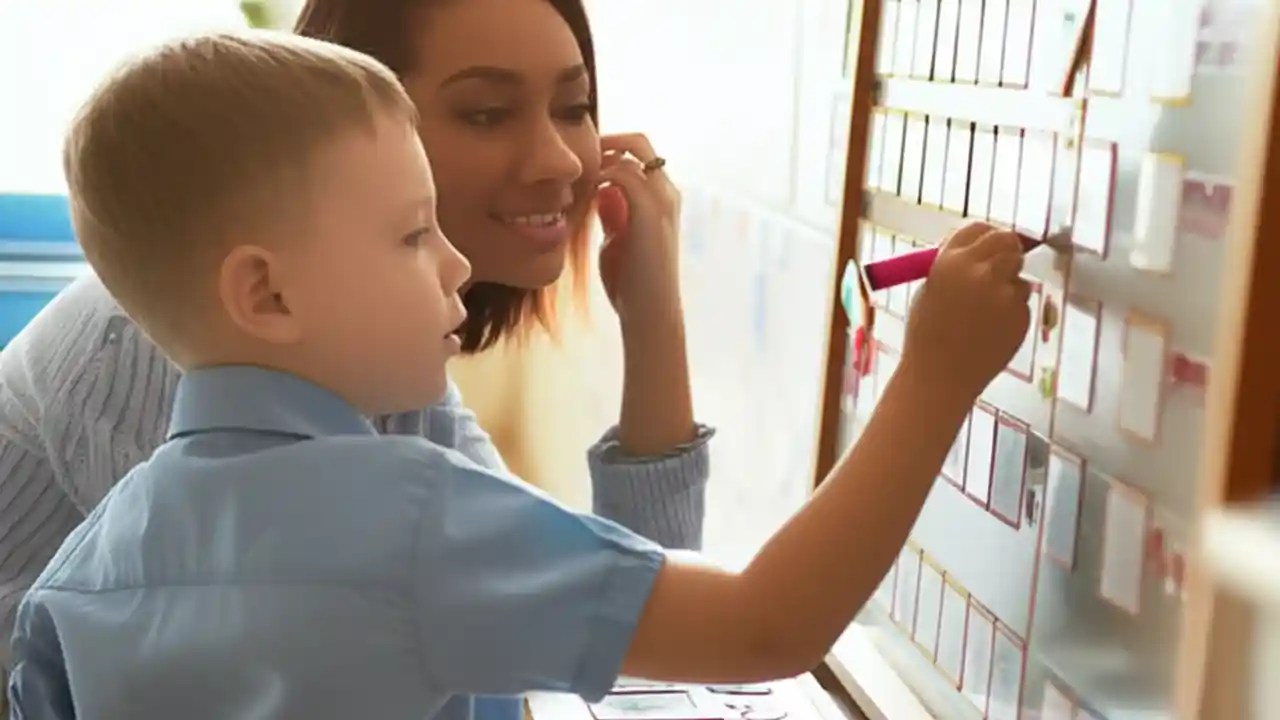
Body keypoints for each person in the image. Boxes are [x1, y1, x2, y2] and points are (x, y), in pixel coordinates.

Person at [6, 30, 1030, 720]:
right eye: (413, 236)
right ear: (266, 296)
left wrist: (652, 317)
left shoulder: (85, 567)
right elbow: (764, 625)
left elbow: (623, 594)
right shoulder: (413, 515)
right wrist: (933, 377)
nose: (452, 262)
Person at [0, 4, 707, 717]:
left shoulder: (368, 364)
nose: (560, 157)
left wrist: (653, 320)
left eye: (574, 106)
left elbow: (634, 640)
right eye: (488, 113)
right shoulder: (189, 355)